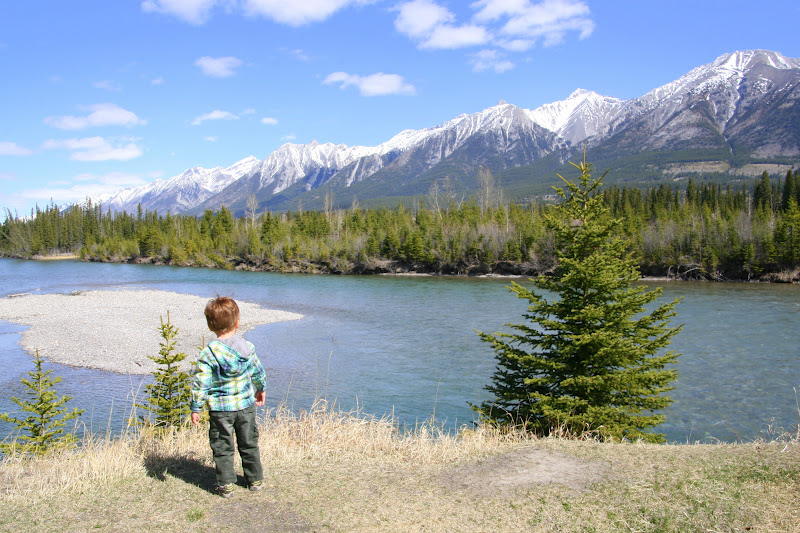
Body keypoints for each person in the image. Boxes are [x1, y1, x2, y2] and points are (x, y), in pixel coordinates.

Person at [190, 296, 267, 498]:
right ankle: (255, 479)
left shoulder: (209, 354)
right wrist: (261, 388)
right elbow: (258, 371)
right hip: (245, 405)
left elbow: (201, 383)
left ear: (210, 325)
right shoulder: (247, 347)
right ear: (237, 322)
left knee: (222, 445)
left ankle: (225, 485)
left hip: (220, 409)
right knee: (249, 441)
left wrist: (195, 406)